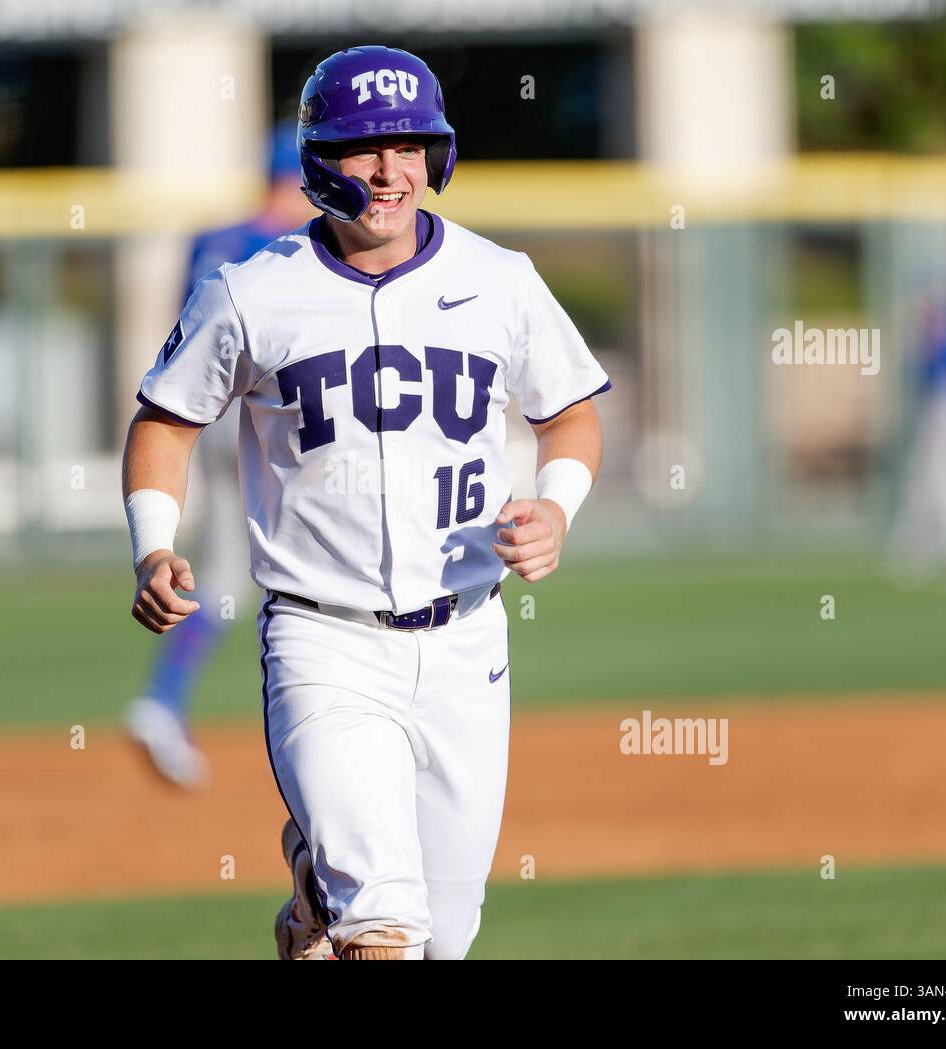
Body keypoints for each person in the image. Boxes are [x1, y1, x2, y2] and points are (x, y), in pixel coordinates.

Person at [122, 45, 608, 960]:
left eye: (409, 144)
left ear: (438, 154)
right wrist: (154, 544)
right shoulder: (251, 291)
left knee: (444, 939)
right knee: (388, 924)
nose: (389, 170)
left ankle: (313, 900)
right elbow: (165, 421)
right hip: (324, 639)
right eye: (363, 148)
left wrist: (558, 506)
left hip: (467, 638)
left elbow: (571, 411)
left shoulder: (500, 278)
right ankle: (345, 904)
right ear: (317, 162)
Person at [124, 122, 315, 788]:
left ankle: (166, 701)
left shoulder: (214, 236)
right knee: (285, 574)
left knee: (235, 570)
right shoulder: (296, 245)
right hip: (272, 415)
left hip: (208, 414)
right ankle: (166, 702)